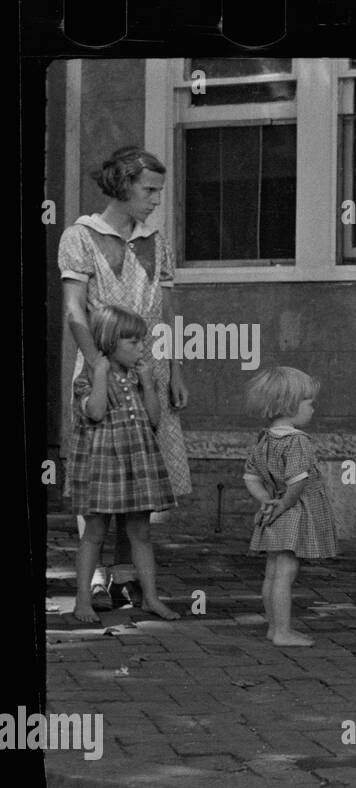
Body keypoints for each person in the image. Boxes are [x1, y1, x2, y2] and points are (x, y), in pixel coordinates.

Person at [58, 146, 190, 608]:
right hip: (102, 367)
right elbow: (75, 308)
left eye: (159, 190)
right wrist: (97, 363)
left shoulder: (158, 241)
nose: (156, 199)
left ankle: (123, 574)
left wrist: (174, 368)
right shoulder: (80, 235)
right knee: (101, 472)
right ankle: (93, 579)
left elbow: (166, 311)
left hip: (149, 369)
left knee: (138, 475)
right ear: (122, 184)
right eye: (148, 190)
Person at [66, 305, 179, 624]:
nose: (142, 348)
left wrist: (148, 385)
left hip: (136, 463)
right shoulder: (88, 377)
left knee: (141, 532)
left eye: (142, 342)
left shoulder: (140, 375)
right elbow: (96, 412)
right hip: (102, 466)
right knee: (95, 532)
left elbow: (154, 418)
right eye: (134, 343)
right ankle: (82, 600)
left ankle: (152, 597)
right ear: (111, 341)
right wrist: (100, 374)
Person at [243, 367, 338, 648]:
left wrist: (266, 501)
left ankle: (274, 627)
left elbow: (250, 477)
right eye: (309, 402)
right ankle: (283, 631)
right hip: (293, 513)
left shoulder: (264, 439)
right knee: (286, 573)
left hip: (273, 513)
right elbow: (298, 481)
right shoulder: (297, 441)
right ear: (289, 405)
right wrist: (284, 503)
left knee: (272, 572)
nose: (312, 408)